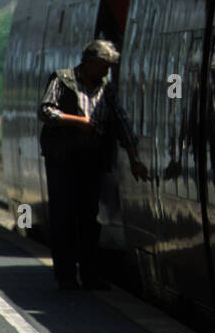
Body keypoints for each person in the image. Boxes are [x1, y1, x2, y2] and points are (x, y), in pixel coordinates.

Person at [38, 39, 148, 290]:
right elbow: (45, 111)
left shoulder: (106, 89)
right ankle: (65, 275)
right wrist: (77, 121)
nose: (107, 72)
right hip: (63, 160)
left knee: (88, 218)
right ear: (90, 62)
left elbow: (122, 123)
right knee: (64, 217)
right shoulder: (62, 79)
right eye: (104, 66)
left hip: (91, 161)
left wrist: (134, 160)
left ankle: (89, 273)